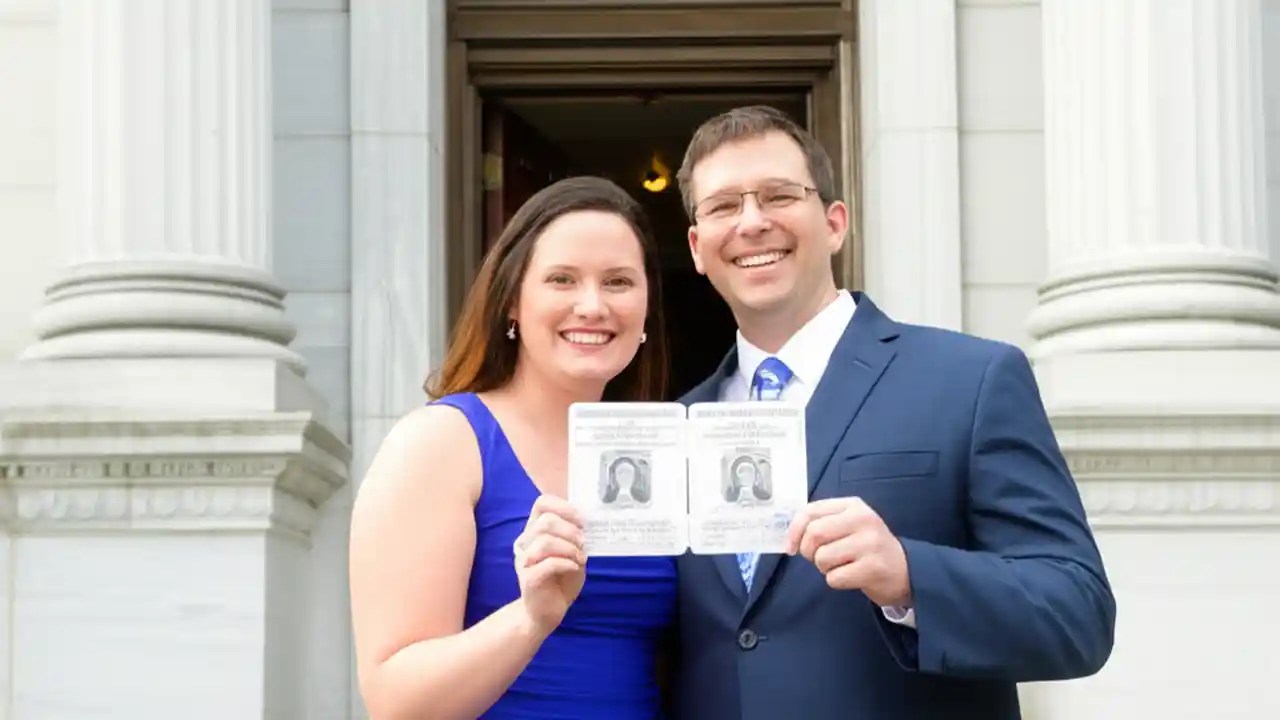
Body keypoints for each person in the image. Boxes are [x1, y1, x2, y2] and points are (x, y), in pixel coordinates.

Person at [669, 106, 1116, 719]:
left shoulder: (971, 380)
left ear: (834, 223)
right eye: (723, 206)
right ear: (697, 247)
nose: (752, 222)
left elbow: (1078, 614)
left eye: (778, 195)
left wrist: (910, 576)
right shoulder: (677, 428)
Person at [348, 176, 675, 719]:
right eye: (562, 280)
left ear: (645, 311)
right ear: (512, 304)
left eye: (618, 281)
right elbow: (395, 701)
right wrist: (530, 617)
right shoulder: (443, 443)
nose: (592, 306)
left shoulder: (657, 448)